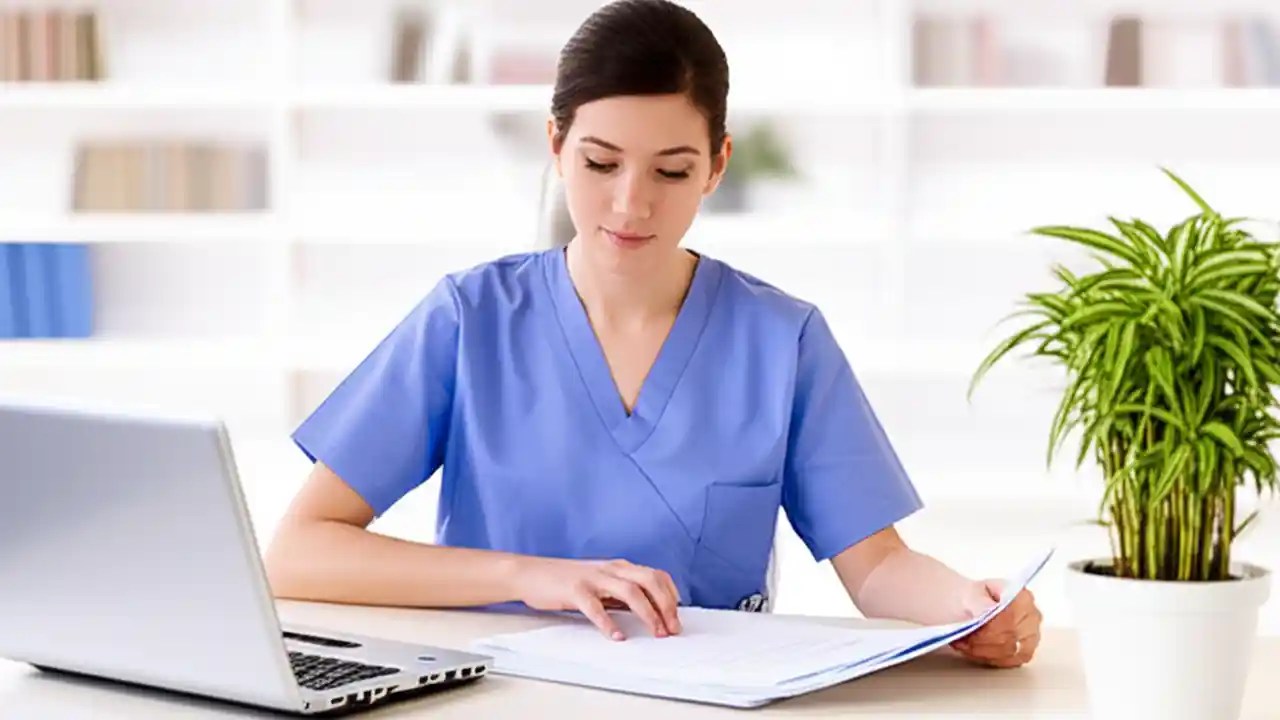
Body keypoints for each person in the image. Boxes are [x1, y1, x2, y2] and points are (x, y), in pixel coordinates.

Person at [264, 0, 1041, 668]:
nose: (631, 205)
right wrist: (528, 575)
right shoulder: (471, 321)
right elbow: (298, 552)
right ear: (556, 145)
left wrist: (968, 608)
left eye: (671, 172)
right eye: (601, 163)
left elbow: (878, 570)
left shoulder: (782, 341)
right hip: (501, 698)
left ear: (716, 166)